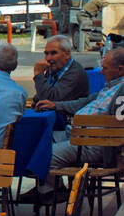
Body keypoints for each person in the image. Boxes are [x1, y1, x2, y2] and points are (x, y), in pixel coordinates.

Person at [22, 46, 124, 204]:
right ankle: (48, 188)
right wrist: (56, 105)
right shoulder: (111, 86)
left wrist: (120, 154)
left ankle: (54, 191)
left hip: (91, 143)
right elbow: (83, 102)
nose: (101, 72)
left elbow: (119, 126)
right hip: (75, 134)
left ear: (120, 70)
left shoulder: (120, 92)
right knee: (35, 140)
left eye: (105, 68)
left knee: (45, 155)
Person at [31, 34, 89, 106]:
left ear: (67, 54)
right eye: (46, 53)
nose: (48, 58)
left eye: (53, 53)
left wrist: (38, 74)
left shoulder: (75, 72)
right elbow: (41, 94)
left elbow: (49, 99)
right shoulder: (54, 67)